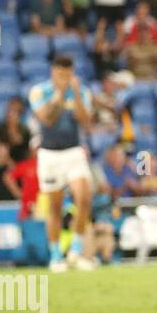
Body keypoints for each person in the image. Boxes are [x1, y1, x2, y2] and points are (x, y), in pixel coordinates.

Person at [28, 55, 96, 272]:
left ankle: (76, 249)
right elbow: (46, 119)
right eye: (60, 74)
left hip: (74, 151)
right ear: (53, 72)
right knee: (55, 208)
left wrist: (74, 93)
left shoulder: (82, 91)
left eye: (68, 74)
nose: (64, 78)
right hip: (49, 155)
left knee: (84, 198)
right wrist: (58, 95)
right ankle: (56, 256)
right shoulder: (39, 91)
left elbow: (85, 122)